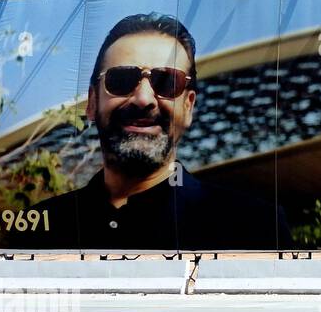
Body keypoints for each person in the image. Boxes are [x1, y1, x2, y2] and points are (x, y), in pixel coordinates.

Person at [25, 13, 291, 251]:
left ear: (188, 107)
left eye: (167, 82)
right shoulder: (41, 228)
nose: (144, 99)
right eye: (121, 80)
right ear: (92, 103)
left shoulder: (255, 227)